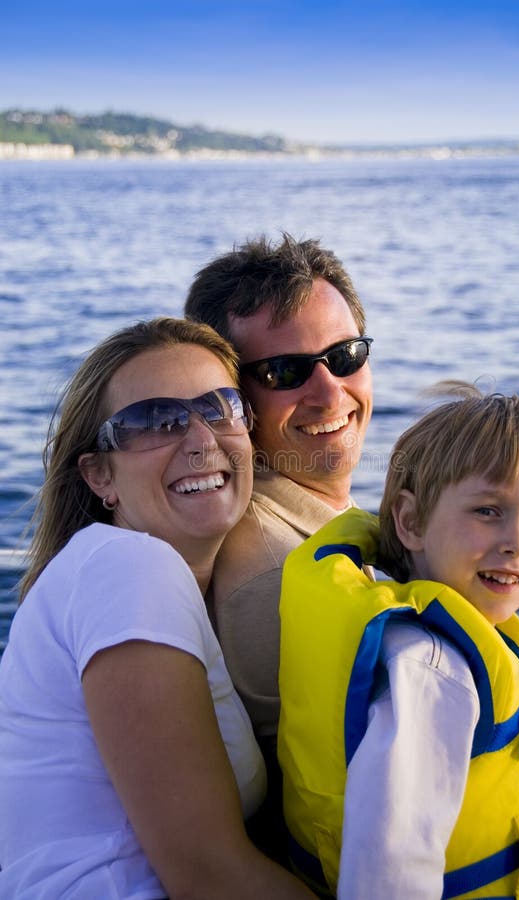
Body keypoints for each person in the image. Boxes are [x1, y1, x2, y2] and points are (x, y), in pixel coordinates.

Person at [0, 318, 315, 899]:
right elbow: (209, 876)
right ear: (100, 475)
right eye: (154, 422)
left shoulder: (147, 582)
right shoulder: (129, 567)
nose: (202, 440)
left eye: (222, 408)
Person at [278, 381, 519, 898]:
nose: (517, 543)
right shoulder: (431, 672)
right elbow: (389, 877)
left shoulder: (441, 637)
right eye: (488, 511)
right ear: (411, 522)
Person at [185, 235, 373, 856]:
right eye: (285, 372)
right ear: (231, 402)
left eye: (345, 356)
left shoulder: (321, 527)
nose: (330, 393)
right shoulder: (277, 575)